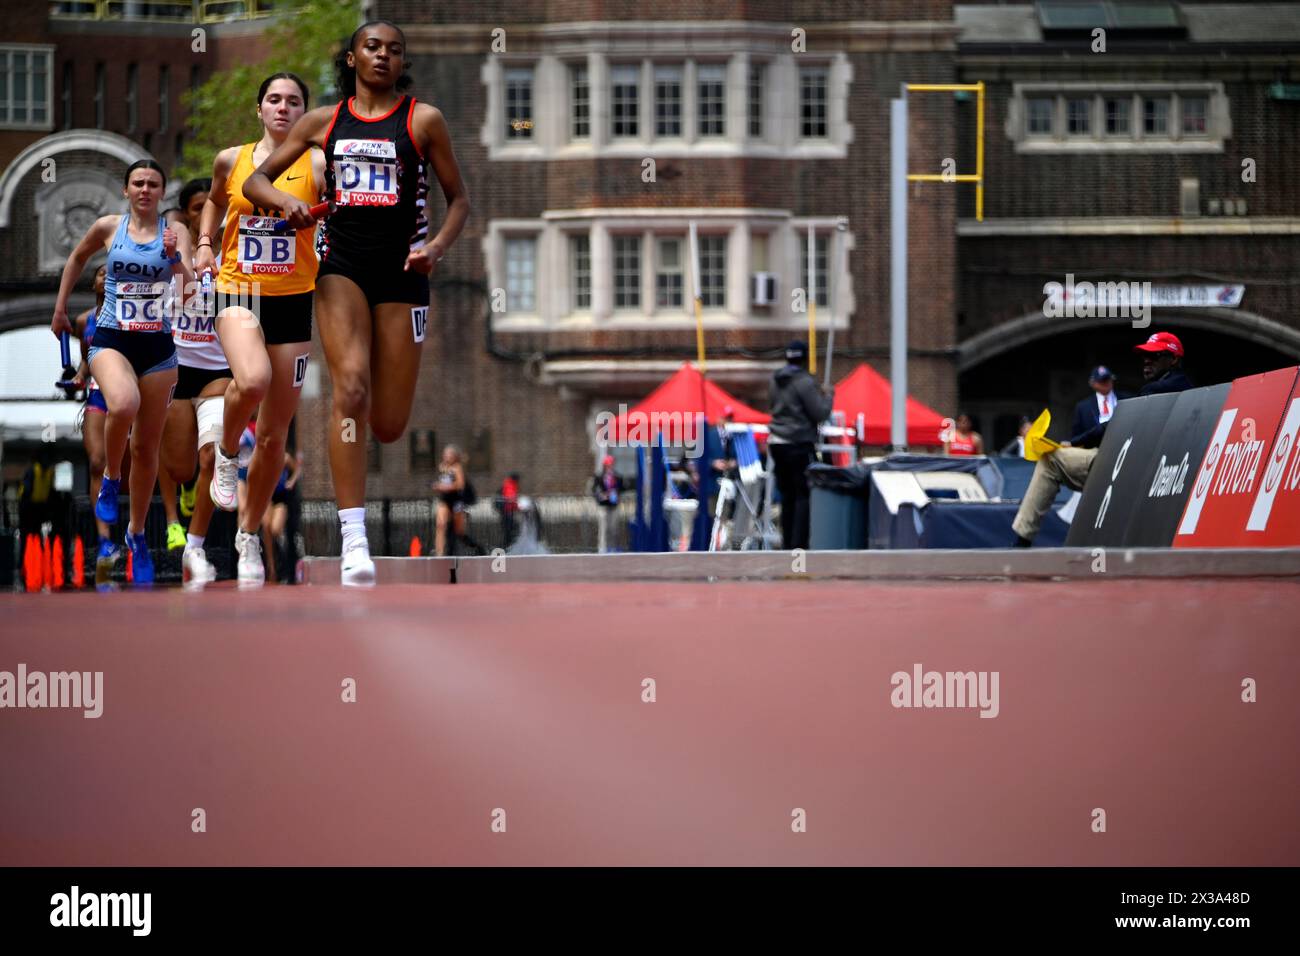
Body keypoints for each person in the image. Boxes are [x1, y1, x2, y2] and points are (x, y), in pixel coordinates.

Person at [240, 20, 471, 585]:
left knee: (388, 424)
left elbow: (459, 199)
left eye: (395, 49)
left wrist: (435, 248)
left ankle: (357, 504)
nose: (383, 56)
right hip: (340, 269)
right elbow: (256, 182)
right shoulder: (323, 122)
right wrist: (284, 203)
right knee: (351, 390)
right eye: (373, 47)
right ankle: (354, 537)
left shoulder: (423, 121)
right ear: (351, 58)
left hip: (403, 275)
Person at [197, 72, 326, 587]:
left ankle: (248, 535)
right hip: (239, 291)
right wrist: (206, 242)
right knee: (251, 381)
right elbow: (212, 200)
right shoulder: (232, 160)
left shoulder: (317, 163)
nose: (283, 108)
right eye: (274, 99)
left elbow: (337, 216)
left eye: (294, 101)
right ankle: (228, 453)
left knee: (274, 435)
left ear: (304, 114)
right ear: (259, 109)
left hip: (294, 300)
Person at [50, 159, 193, 585]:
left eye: (153, 183)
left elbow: (189, 297)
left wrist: (175, 260)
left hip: (158, 347)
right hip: (112, 339)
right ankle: (112, 477)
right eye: (138, 183)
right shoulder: (109, 227)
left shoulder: (175, 233)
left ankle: (135, 536)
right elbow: (77, 258)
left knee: (148, 451)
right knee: (123, 403)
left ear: (162, 191)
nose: (145, 189)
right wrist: (60, 307)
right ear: (126, 190)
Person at [1012, 331, 1194, 546]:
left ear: (1173, 359)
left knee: (1050, 460)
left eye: (1155, 356)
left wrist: (1075, 442)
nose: (1147, 360)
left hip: (1126, 467)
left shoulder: (1157, 389)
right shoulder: (1187, 387)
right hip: (1140, 464)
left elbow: (1116, 425)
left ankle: (1022, 540)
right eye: (1145, 355)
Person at [159, 177, 215, 544]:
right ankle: (185, 487)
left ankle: (194, 544)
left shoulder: (240, 247)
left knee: (211, 456)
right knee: (182, 467)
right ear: (187, 213)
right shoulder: (170, 247)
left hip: (219, 368)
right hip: (180, 366)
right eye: (199, 208)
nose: (207, 212)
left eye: (213, 205)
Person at [71, 264, 128, 578]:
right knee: (96, 462)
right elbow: (86, 360)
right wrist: (79, 377)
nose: (105, 276)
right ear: (93, 282)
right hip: (97, 396)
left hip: (128, 394)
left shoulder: (131, 315)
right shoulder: (84, 322)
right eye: (99, 273)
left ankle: (136, 532)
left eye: (111, 272)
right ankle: (105, 541)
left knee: (129, 466)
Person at [769, 339, 833, 550]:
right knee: (803, 495)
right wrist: (829, 395)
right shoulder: (805, 382)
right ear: (805, 358)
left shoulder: (775, 380)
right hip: (798, 443)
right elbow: (820, 413)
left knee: (787, 496)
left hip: (778, 443)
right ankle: (799, 545)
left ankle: (788, 543)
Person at [1069, 365, 1131, 448]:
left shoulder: (1127, 399)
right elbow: (1075, 438)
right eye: (1102, 380)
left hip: (1123, 446)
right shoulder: (1083, 407)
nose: (1106, 382)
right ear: (1093, 383)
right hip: (1094, 451)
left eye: (1108, 379)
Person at [434, 444, 469, 556]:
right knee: (440, 524)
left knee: (458, 530)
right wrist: (437, 486)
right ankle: (439, 552)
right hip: (444, 500)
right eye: (445, 454)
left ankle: (469, 546)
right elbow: (441, 482)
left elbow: (460, 484)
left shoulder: (457, 468)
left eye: (449, 454)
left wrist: (445, 487)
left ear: (454, 456)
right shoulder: (441, 467)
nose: (447, 457)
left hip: (456, 500)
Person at [591, 455, 623, 553]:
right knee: (603, 529)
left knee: (614, 529)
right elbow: (594, 490)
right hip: (603, 506)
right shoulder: (599, 477)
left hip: (613, 505)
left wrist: (616, 494)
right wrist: (601, 495)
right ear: (604, 466)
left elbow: (621, 488)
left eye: (611, 465)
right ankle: (602, 548)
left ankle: (612, 548)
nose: (610, 467)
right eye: (608, 465)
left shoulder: (617, 477)